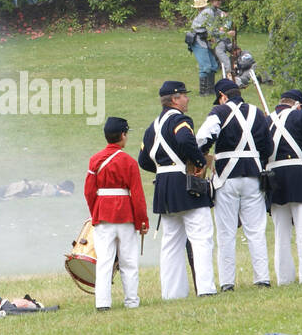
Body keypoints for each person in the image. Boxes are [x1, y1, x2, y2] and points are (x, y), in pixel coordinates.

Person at [138, 80, 216, 298]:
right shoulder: (181, 120)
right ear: (174, 99)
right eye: (183, 95)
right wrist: (199, 162)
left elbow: (143, 161)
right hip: (185, 183)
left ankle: (172, 293)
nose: (187, 98)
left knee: (171, 242)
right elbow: (185, 140)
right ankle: (206, 289)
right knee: (201, 237)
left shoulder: (151, 127)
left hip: (164, 186)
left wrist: (164, 170)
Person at [196, 78, 272, 290]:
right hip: (253, 176)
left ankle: (227, 282)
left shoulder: (219, 113)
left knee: (226, 232)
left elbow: (202, 138)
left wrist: (204, 157)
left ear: (222, 96)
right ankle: (262, 278)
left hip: (226, 177)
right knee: (256, 230)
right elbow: (268, 146)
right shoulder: (257, 113)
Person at [85, 116, 150, 310]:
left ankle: (102, 303)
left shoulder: (95, 160)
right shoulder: (129, 162)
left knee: (104, 261)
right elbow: (137, 195)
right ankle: (131, 301)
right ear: (123, 135)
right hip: (126, 216)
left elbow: (89, 192)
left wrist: (95, 212)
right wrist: (142, 222)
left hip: (103, 214)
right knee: (129, 261)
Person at [264, 89, 302, 284]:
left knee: (281, 233)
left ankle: (284, 278)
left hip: (273, 178)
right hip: (299, 176)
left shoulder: (267, 120)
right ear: (298, 104)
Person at [188, 0, 218, 96]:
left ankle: (211, 90)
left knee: (213, 65)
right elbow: (211, 29)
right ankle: (204, 92)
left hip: (205, 40)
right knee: (206, 66)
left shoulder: (205, 12)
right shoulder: (208, 12)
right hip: (198, 41)